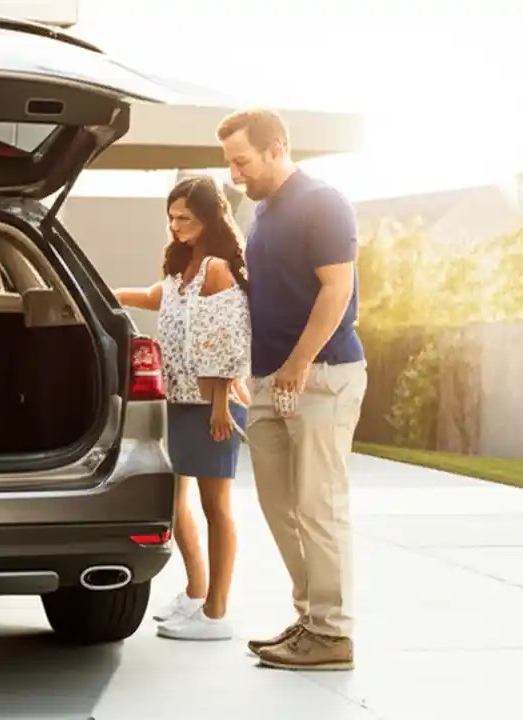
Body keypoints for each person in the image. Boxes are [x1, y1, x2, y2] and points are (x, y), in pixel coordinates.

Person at [217, 109, 367, 671]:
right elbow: (268, 296)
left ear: (276, 148)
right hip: (267, 379)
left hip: (323, 376)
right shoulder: (263, 213)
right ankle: (311, 619)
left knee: (319, 506)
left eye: (242, 162)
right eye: (230, 164)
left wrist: (298, 363)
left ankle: (332, 633)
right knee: (280, 506)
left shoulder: (323, 203)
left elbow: (337, 290)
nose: (235, 175)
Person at [114, 176, 251, 641]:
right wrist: (110, 295)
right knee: (174, 503)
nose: (175, 226)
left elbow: (225, 339)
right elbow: (157, 298)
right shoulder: (182, 266)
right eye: (171, 217)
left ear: (209, 218)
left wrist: (220, 404)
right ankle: (196, 592)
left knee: (217, 507)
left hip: (213, 406)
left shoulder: (216, 268)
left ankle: (216, 613)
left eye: (185, 218)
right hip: (177, 400)